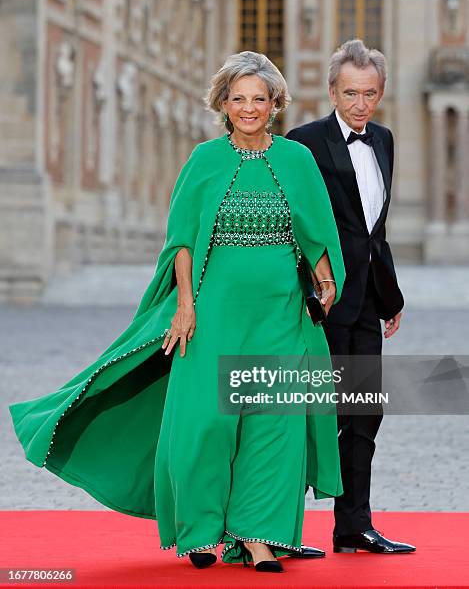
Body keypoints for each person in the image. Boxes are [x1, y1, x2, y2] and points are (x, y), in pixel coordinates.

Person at [9, 51, 346, 573]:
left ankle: (259, 534)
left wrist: (326, 282)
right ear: (224, 105)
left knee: (273, 423)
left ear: (276, 103)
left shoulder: (297, 161)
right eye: (239, 99)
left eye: (259, 99)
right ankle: (201, 529)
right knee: (204, 423)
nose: (249, 108)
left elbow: (317, 233)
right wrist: (185, 306)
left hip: (280, 311)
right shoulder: (205, 161)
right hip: (215, 311)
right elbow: (182, 242)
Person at [286, 39, 416, 554]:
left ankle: (353, 527)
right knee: (308, 414)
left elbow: (373, 232)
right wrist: (305, 290)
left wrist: (392, 296)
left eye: (369, 93)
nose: (360, 103)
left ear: (380, 93)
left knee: (364, 414)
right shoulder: (303, 142)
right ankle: (275, 529)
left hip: (366, 303)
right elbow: (291, 223)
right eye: (349, 93)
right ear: (332, 91)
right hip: (321, 303)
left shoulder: (383, 139)